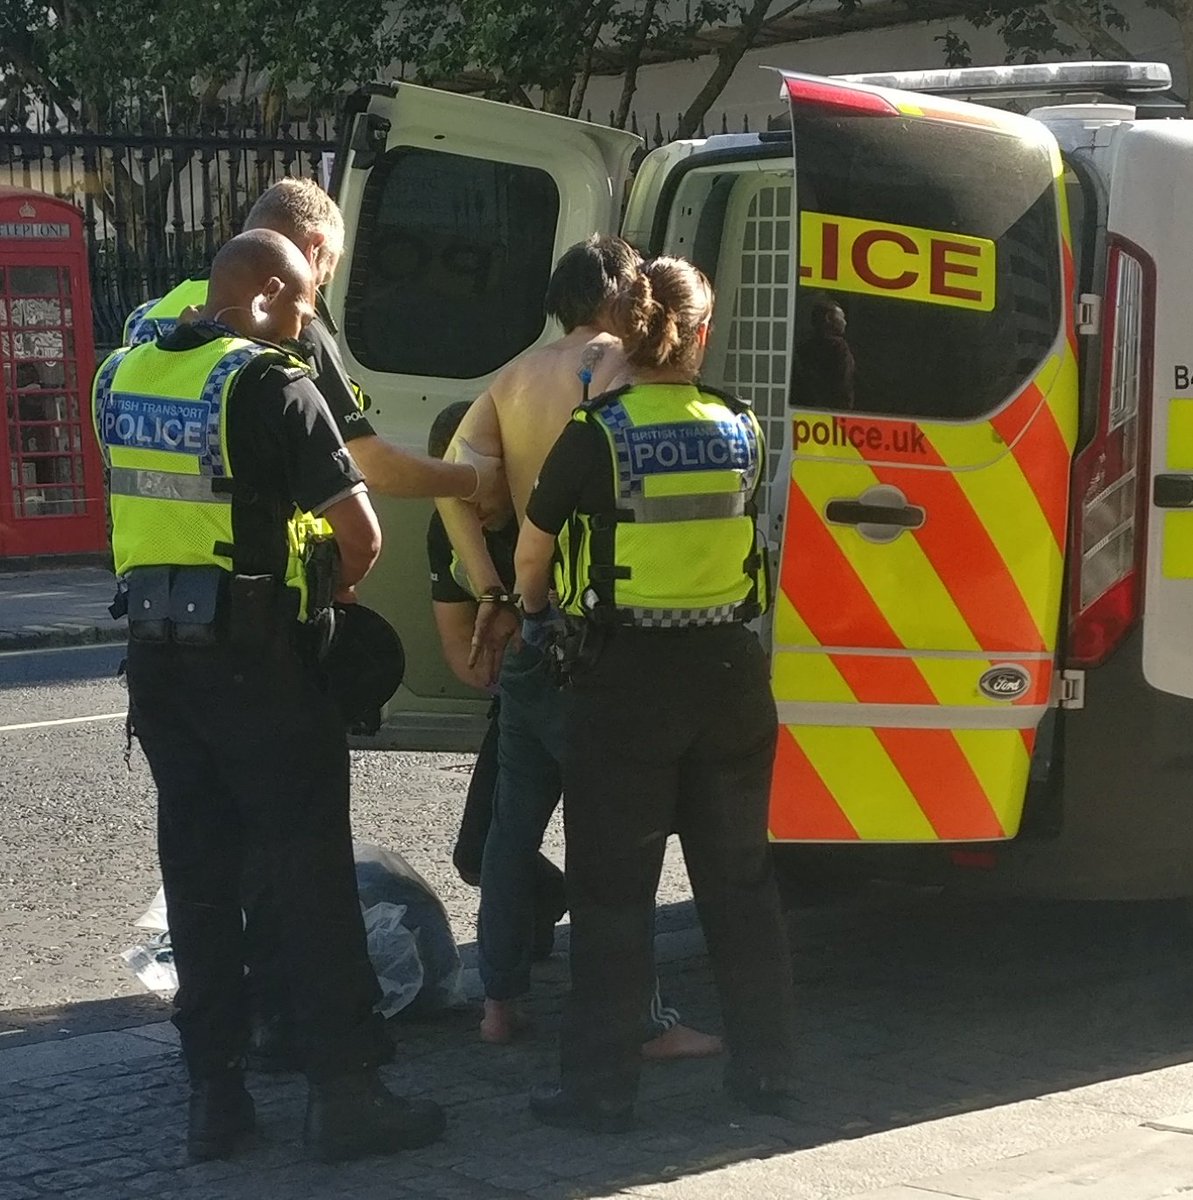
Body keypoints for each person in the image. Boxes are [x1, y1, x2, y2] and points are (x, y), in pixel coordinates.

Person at [92, 229, 445, 1163]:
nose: (307, 328)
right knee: (310, 873)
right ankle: (346, 1094)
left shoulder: (118, 377)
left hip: (158, 667)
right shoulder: (271, 385)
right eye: (303, 307)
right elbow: (360, 536)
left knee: (199, 877)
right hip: (262, 667)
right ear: (270, 293)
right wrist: (321, 590)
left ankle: (217, 1097)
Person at [511, 255, 798, 1133]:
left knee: (612, 897)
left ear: (623, 333)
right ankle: (766, 1076)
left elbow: (533, 556)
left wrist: (529, 613)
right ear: (701, 333)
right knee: (741, 887)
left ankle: (599, 1091)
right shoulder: (742, 428)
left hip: (625, 685)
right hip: (728, 676)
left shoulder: (596, 433)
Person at [437, 237, 721, 1060]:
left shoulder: (514, 375)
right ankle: (642, 1018)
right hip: (606, 629)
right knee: (615, 834)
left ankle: (499, 1001)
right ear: (618, 296)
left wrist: (489, 586)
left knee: (510, 833)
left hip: (531, 622)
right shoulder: (621, 365)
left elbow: (459, 488)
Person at [123, 177, 502, 505]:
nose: (313, 296)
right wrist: (475, 480)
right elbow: (367, 463)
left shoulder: (151, 316)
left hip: (145, 559)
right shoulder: (288, 322)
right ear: (314, 248)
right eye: (323, 278)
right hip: (255, 560)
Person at [425, 401, 567, 957]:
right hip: (517, 697)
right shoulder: (452, 530)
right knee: (476, 852)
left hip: (580, 690)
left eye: (472, 488)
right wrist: (505, 674)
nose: (464, 508)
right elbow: (461, 644)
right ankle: (549, 902)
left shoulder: (551, 514)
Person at [796, 296, 856, 410]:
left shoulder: (803, 348)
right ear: (828, 318)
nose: (845, 322)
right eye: (842, 317)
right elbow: (844, 386)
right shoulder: (839, 347)